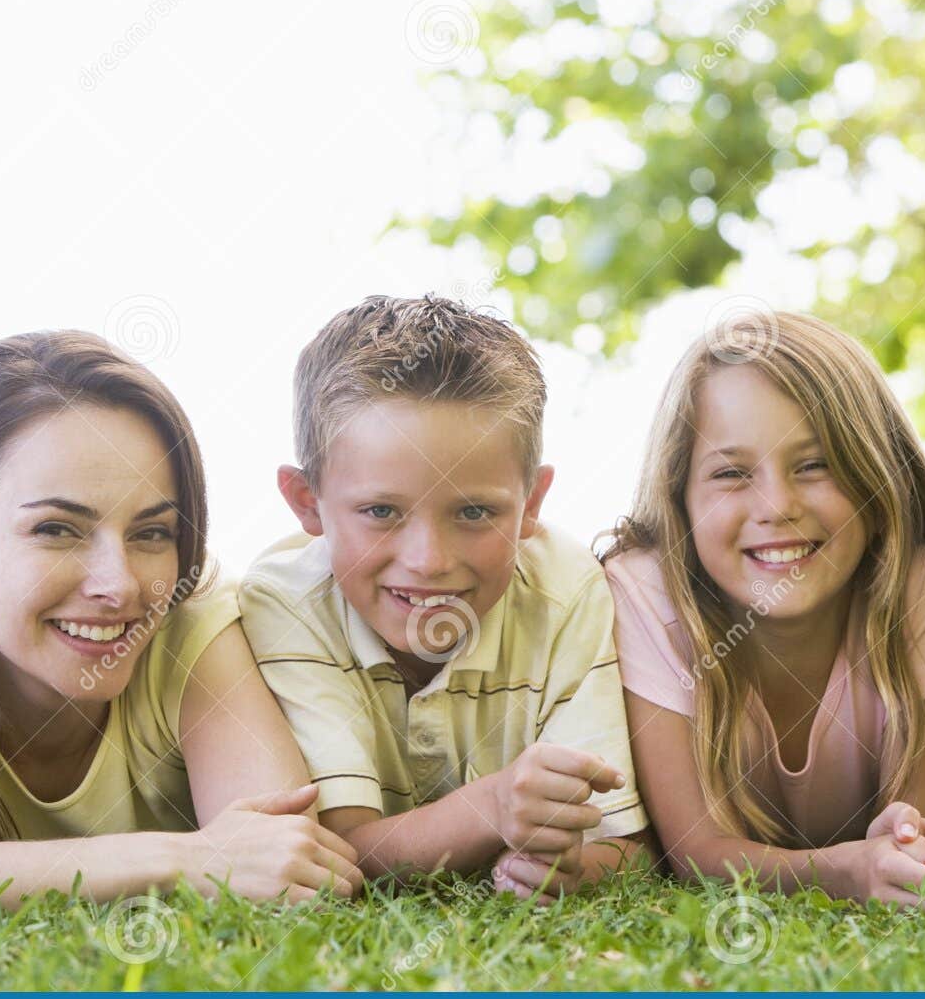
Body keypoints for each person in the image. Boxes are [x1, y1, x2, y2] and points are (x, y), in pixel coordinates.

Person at [0, 331, 362, 917]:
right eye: (56, 530)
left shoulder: (191, 617)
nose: (118, 586)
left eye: (151, 533)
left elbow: (287, 866)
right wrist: (185, 859)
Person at [239, 295, 651, 902]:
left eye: (474, 511)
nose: (429, 560)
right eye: (381, 511)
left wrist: (569, 868)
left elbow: (628, 846)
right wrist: (492, 807)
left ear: (532, 503)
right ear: (306, 501)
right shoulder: (284, 602)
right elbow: (338, 851)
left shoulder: (567, 589)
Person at [605, 311, 925, 910]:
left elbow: (921, 826)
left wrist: (914, 852)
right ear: (680, 498)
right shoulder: (647, 594)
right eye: (732, 474)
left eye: (814, 465)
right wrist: (847, 872)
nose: (777, 506)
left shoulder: (918, 589)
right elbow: (698, 852)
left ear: (873, 477)